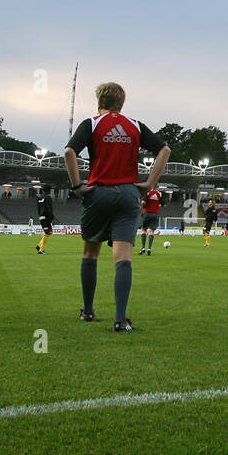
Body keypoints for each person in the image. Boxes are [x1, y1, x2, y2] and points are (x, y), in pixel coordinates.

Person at [64, 82, 170, 333]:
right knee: (123, 258)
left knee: (90, 253)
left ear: (98, 100)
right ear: (122, 103)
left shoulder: (91, 123)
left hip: (98, 192)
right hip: (128, 194)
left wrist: (77, 186)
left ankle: (88, 311)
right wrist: (148, 184)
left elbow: (69, 152)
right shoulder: (134, 125)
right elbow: (164, 150)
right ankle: (120, 320)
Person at [138, 186, 163, 255]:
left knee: (144, 230)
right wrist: (156, 205)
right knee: (151, 231)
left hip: (147, 213)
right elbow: (163, 204)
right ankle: (149, 249)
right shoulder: (159, 194)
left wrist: (143, 205)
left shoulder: (148, 193)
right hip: (155, 214)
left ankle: (143, 248)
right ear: (157, 186)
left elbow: (143, 202)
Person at [36, 187, 55, 254]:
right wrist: (52, 218)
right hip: (46, 217)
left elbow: (38, 208)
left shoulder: (39, 198)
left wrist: (40, 216)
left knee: (49, 232)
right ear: (48, 191)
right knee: (48, 232)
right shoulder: (48, 198)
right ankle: (41, 249)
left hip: (41, 216)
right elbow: (49, 208)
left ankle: (39, 245)